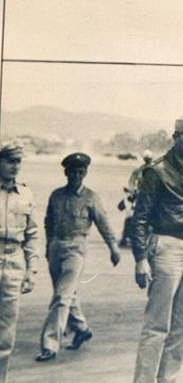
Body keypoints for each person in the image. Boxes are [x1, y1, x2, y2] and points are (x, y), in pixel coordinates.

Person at [131, 116, 183, 383]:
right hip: (166, 245)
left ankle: (168, 379)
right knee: (157, 324)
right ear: (175, 139)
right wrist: (141, 259)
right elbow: (139, 218)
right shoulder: (157, 170)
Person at [35, 153, 121, 362]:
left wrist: (113, 248)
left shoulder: (91, 197)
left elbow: (104, 224)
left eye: (80, 171)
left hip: (76, 249)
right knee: (65, 294)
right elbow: (48, 222)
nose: (76, 175)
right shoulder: (56, 195)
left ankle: (50, 344)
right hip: (56, 247)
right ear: (66, 172)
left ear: (85, 173)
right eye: (72, 171)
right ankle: (81, 329)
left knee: (61, 297)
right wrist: (48, 246)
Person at [0, 142, 39, 383]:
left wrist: (32, 270)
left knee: (6, 332)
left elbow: (32, 235)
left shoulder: (26, 194)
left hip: (14, 264)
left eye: (18, 162)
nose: (15, 166)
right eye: (10, 161)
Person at [119, 150, 154, 249]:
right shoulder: (138, 170)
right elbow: (131, 183)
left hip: (149, 198)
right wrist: (132, 191)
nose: (148, 161)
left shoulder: (156, 171)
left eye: (149, 159)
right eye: (146, 159)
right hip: (139, 197)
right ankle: (125, 238)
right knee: (130, 216)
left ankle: (143, 239)